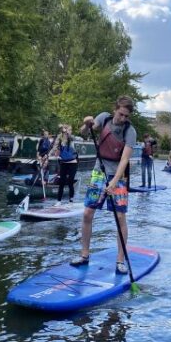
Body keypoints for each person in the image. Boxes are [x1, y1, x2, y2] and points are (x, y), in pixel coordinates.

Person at [71, 96, 137, 275]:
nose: (122, 118)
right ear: (115, 109)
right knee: (87, 213)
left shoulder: (130, 131)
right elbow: (85, 132)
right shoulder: (104, 118)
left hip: (118, 176)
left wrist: (115, 181)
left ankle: (120, 261)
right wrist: (87, 123)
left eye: (126, 116)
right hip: (98, 171)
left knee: (121, 218)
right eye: (121, 114)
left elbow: (124, 160)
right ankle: (84, 255)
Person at [49, 124, 79, 203]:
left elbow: (70, 138)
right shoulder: (60, 137)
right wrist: (48, 155)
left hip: (73, 163)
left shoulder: (71, 138)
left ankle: (71, 200)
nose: (70, 131)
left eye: (70, 130)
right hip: (64, 163)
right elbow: (55, 147)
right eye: (69, 130)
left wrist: (67, 133)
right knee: (61, 182)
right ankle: (58, 201)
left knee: (70, 181)